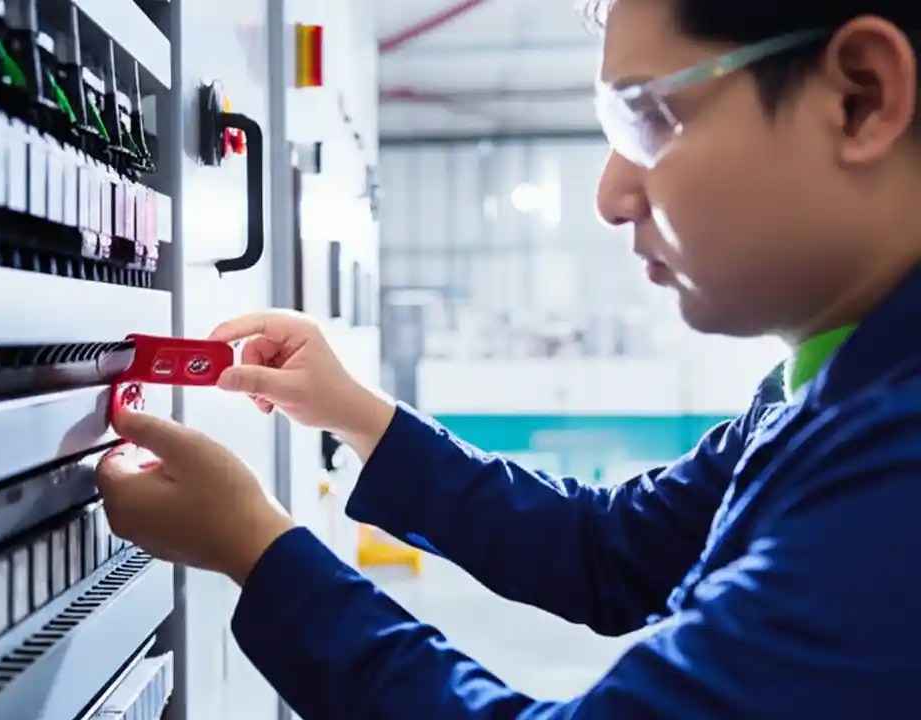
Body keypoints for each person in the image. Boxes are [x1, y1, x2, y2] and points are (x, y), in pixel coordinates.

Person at [98, 0, 921, 716]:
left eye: (650, 119)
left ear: (860, 98)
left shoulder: (899, 473)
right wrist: (352, 412)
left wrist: (256, 547)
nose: (609, 197)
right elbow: (607, 551)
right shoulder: (818, 386)